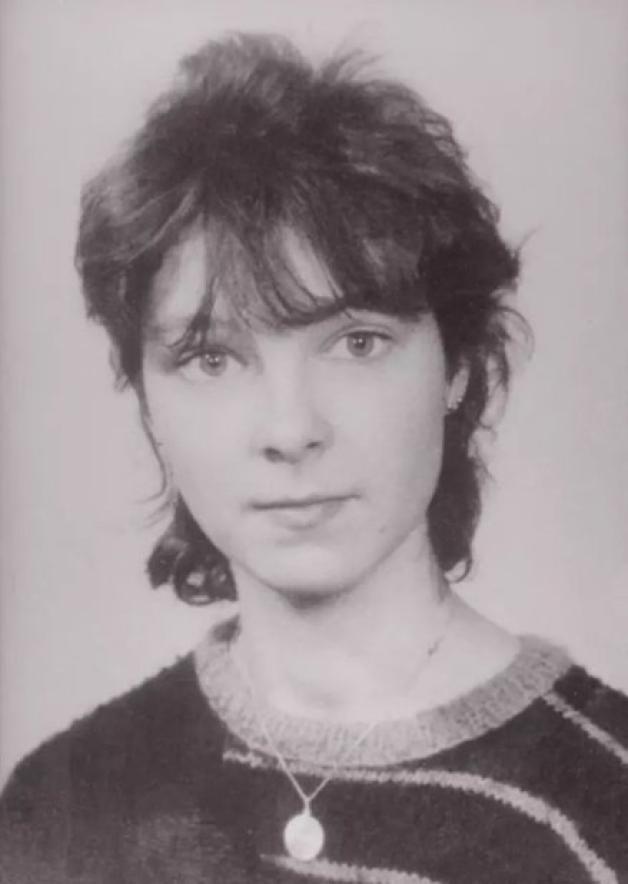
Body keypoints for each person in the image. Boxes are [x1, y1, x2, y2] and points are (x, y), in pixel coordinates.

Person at [1, 31, 627, 884]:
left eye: (357, 342)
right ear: (147, 403)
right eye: (212, 358)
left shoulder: (608, 795)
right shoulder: (62, 805)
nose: (290, 429)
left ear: (458, 366)